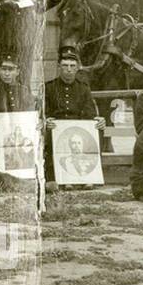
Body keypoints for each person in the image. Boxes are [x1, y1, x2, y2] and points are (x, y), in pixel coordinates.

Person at [44, 45, 106, 186]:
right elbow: (45, 112)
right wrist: (47, 120)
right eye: (65, 66)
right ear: (59, 67)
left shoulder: (83, 88)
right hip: (56, 128)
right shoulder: (49, 87)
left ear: (78, 67)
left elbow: (90, 113)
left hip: (77, 128)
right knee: (49, 132)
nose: (69, 69)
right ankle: (61, 177)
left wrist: (98, 120)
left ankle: (89, 176)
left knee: (98, 129)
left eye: (72, 66)